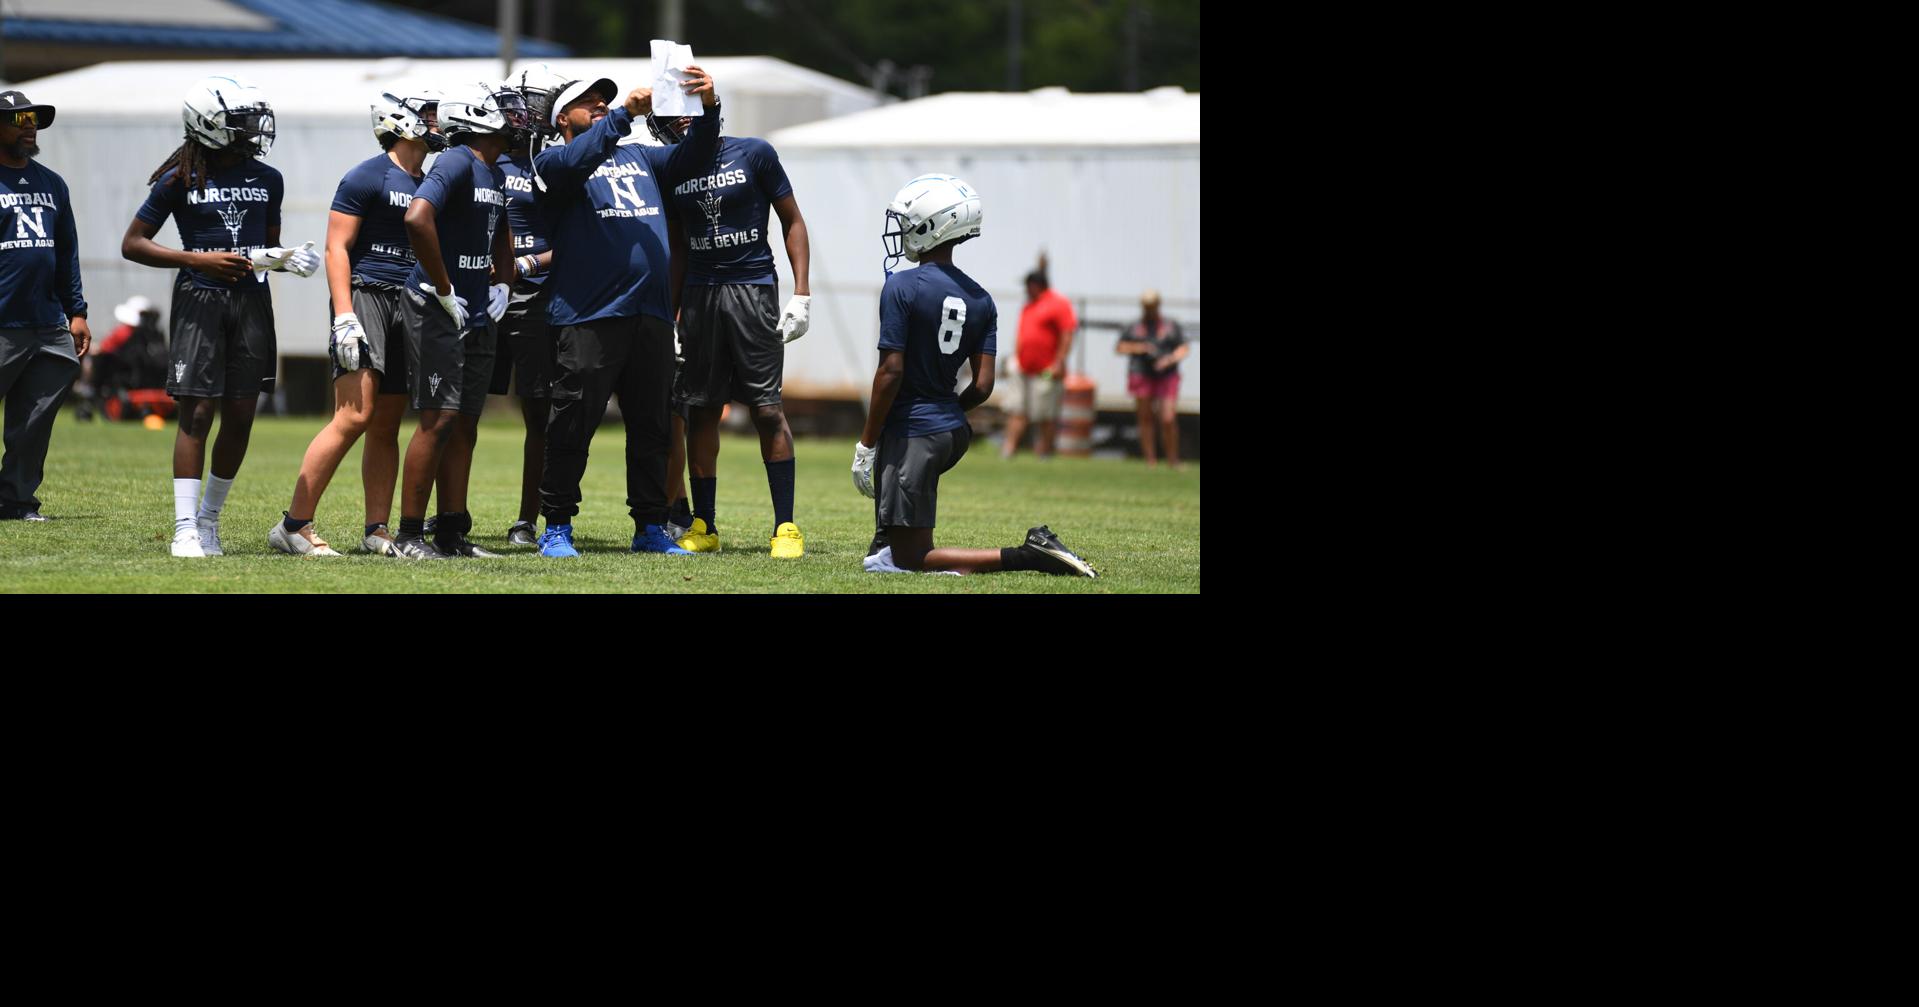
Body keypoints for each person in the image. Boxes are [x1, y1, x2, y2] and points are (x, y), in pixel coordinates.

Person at [852, 173, 1097, 578]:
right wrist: (948, 408)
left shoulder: (902, 287)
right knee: (897, 518)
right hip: (952, 431)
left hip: (915, 430)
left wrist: (866, 440)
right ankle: (885, 539)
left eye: (909, 220)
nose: (902, 229)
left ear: (934, 224)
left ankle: (1030, 554)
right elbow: (983, 386)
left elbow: (890, 370)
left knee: (912, 559)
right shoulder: (981, 298)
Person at [121, 75, 321, 557]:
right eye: (242, 121)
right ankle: (185, 527)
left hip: (251, 302)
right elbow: (133, 244)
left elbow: (265, 246)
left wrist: (287, 258)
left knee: (240, 415)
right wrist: (198, 258)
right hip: (200, 300)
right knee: (197, 413)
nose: (253, 129)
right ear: (209, 125)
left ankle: (210, 520)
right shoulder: (179, 177)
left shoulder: (268, 178)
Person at [528, 66, 719, 558]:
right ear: (561, 119)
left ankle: (651, 527)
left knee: (653, 427)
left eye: (603, 100)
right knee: (572, 426)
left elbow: (695, 159)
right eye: (587, 102)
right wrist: (621, 114)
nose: (598, 105)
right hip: (588, 315)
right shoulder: (553, 162)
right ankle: (558, 526)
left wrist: (708, 109)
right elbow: (573, 163)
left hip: (649, 314)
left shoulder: (638, 155)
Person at [269, 83, 445, 557]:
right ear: (400, 120)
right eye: (428, 112)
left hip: (409, 301)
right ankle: (294, 524)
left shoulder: (430, 182)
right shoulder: (366, 176)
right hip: (366, 296)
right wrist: (344, 313)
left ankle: (376, 530)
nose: (437, 119)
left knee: (387, 423)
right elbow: (336, 247)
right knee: (354, 415)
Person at [654, 105, 812, 558]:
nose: (682, 123)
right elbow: (680, 244)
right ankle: (704, 524)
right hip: (702, 294)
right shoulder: (671, 170)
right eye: (673, 117)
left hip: (752, 287)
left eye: (690, 114)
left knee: (766, 409)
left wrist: (801, 292)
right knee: (701, 409)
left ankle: (785, 525)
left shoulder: (754, 154)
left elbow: (792, 219)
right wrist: (672, 311)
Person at [389, 80, 526, 560]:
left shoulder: (495, 170)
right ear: (471, 117)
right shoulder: (456, 159)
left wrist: (503, 285)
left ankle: (450, 533)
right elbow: (416, 217)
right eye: (498, 110)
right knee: (439, 418)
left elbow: (503, 232)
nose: (512, 116)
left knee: (465, 422)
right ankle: (408, 535)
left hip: (474, 307)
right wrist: (444, 286)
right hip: (437, 304)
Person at [482, 65, 566, 548]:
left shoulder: (554, 165)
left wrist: (525, 265)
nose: (524, 112)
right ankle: (447, 513)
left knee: (539, 413)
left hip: (536, 297)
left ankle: (527, 519)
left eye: (533, 101)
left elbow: (576, 239)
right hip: (482, 293)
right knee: (458, 410)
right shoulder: (482, 157)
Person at [0, 89, 90, 523]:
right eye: (18, 119)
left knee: (34, 421)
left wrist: (77, 312)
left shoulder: (52, 184)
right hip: (2, 323)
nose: (29, 125)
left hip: (48, 324)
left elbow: (66, 252)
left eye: (32, 118)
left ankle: (16, 502)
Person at [999, 266, 1077, 460]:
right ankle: (1008, 450)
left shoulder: (1058, 303)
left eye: (1027, 286)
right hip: (1023, 368)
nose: (1025, 290)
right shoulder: (1028, 306)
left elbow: (1067, 334)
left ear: (1035, 285)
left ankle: (1045, 452)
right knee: (1016, 410)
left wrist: (1059, 362)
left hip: (1046, 370)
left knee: (1045, 415)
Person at [1115, 288, 1188, 468]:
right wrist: (1141, 348)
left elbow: (1183, 347)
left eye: (1152, 306)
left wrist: (1169, 359)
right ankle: (1151, 460)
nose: (1149, 310)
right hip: (1141, 373)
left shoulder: (1170, 325)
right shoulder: (1134, 326)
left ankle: (1173, 460)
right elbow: (1120, 347)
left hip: (1167, 374)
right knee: (1145, 418)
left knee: (1168, 418)